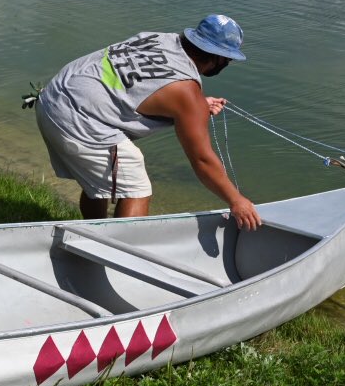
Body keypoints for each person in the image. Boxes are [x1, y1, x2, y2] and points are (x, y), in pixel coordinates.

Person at [32, 14, 262, 229]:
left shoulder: (159, 38)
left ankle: (96, 235)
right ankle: (119, 255)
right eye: (229, 59)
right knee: (137, 189)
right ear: (219, 57)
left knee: (100, 183)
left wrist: (197, 107)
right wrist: (235, 200)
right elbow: (202, 160)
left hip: (52, 97)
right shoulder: (187, 95)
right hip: (77, 120)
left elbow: (143, 84)